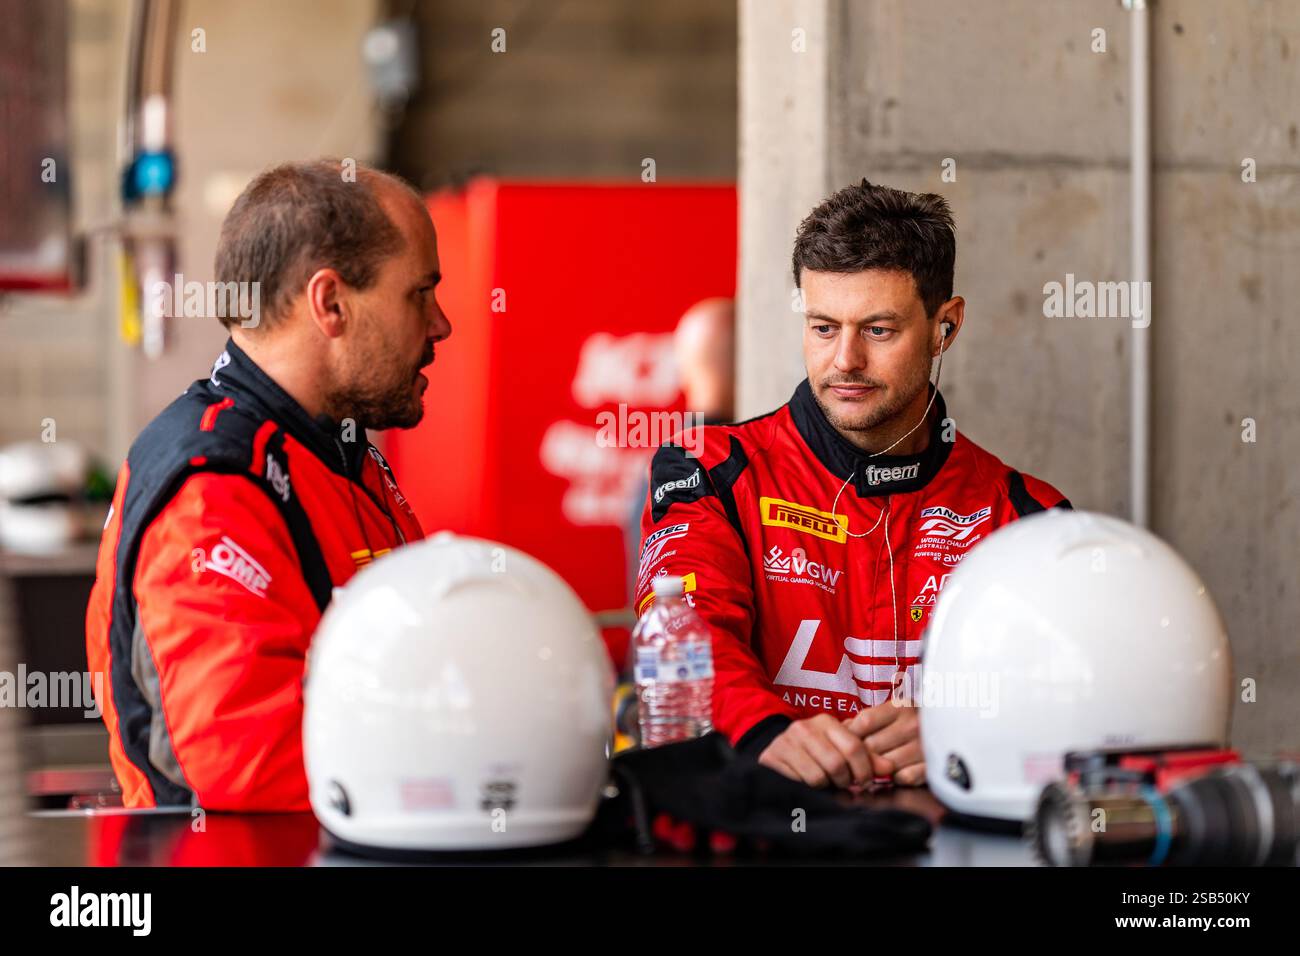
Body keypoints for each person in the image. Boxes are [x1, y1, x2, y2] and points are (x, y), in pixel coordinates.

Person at [634, 179, 1070, 789]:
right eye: (822, 327)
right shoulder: (709, 472)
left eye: (879, 330)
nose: (844, 360)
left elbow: (1077, 691)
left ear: (945, 326)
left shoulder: (1029, 518)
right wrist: (768, 734)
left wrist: (968, 732)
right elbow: (679, 635)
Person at [85, 159, 451, 810]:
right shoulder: (214, 483)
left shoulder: (339, 452)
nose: (440, 324)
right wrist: (468, 760)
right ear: (331, 303)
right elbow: (244, 759)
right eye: (418, 293)